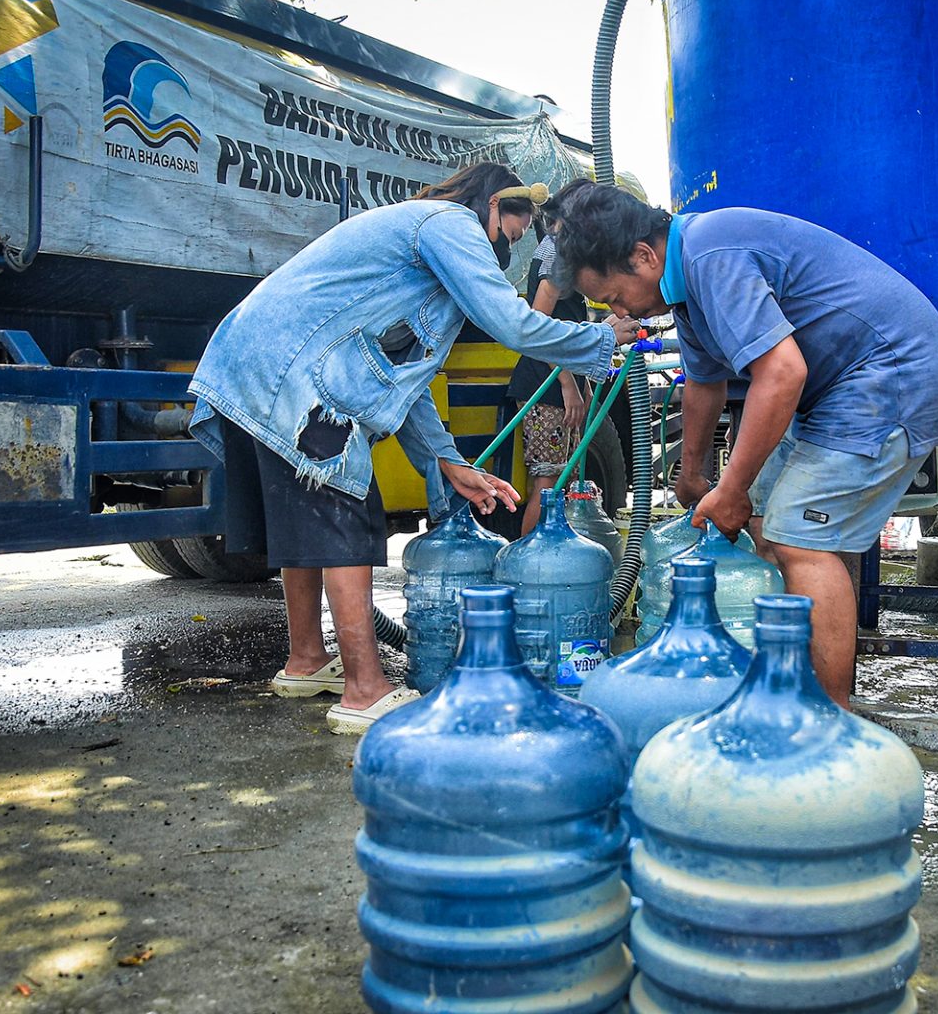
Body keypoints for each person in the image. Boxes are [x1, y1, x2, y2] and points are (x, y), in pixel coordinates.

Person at [188, 162, 636, 734]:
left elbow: (407, 377)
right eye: (511, 230)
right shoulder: (448, 223)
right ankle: (364, 691)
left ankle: (306, 661)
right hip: (297, 374)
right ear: (495, 203)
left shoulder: (417, 248)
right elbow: (513, 324)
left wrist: (447, 462)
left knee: (302, 520)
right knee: (343, 518)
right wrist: (598, 338)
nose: (509, 247)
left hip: (251, 363)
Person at [555, 187, 938, 707]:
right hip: (838, 388)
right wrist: (693, 472)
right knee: (763, 530)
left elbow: (782, 371)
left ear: (643, 256)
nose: (618, 310)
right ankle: (777, 693)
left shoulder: (711, 253)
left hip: (892, 375)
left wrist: (732, 487)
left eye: (614, 296)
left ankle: (825, 721)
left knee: (799, 540)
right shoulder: (684, 284)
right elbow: (705, 382)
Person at [503, 180, 602, 535]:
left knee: (564, 481)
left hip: (562, 381)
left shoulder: (565, 249)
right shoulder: (556, 252)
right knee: (548, 482)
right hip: (543, 384)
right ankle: (527, 562)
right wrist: (567, 384)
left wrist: (582, 384)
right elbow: (538, 326)